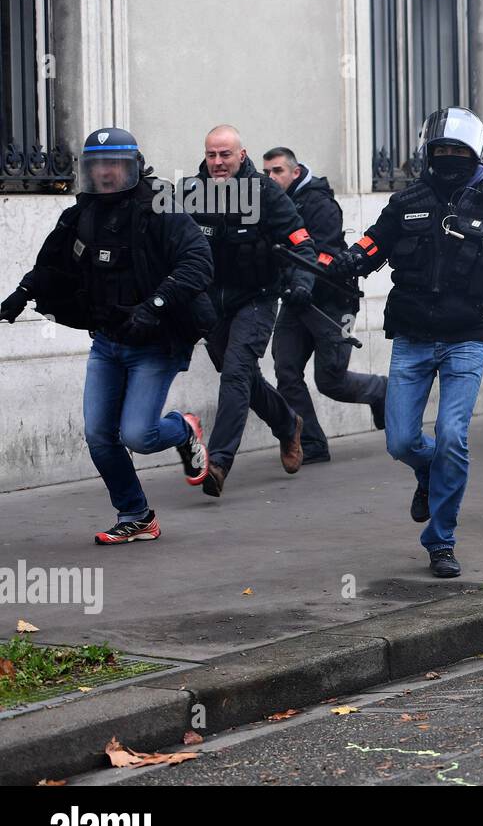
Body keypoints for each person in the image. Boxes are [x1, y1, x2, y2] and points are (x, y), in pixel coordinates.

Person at [331, 108, 483, 579]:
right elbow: (375, 242)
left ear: (474, 155)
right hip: (413, 337)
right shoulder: (409, 200)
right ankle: (428, 472)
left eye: (457, 153)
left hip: (466, 339)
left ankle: (441, 540)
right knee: (401, 441)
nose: (448, 160)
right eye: (440, 152)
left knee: (454, 437)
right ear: (427, 155)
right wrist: (349, 260)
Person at [0, 128, 215, 543]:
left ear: (133, 165)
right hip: (108, 341)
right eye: (97, 164)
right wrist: (22, 293)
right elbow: (53, 264)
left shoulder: (162, 206)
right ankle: (136, 514)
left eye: (114, 163)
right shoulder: (83, 213)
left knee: (139, 435)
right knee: (99, 434)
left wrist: (155, 305)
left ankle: (183, 429)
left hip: (156, 341)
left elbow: (197, 263)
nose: (105, 172)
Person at [185, 125, 318, 497]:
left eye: (225, 154)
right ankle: (288, 424)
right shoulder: (192, 193)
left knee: (236, 373)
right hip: (211, 303)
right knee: (241, 376)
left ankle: (218, 462)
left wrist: (302, 284)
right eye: (211, 154)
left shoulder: (265, 193)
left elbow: (300, 245)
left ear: (241, 155)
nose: (218, 162)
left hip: (257, 297)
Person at [264, 146, 387, 464]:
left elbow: (324, 252)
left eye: (277, 171)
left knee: (331, 379)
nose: (271, 178)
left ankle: (380, 391)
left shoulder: (320, 203)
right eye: (266, 172)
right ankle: (311, 443)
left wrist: (304, 282)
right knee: (286, 370)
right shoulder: (272, 205)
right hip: (296, 302)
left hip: (336, 303)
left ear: (295, 171)